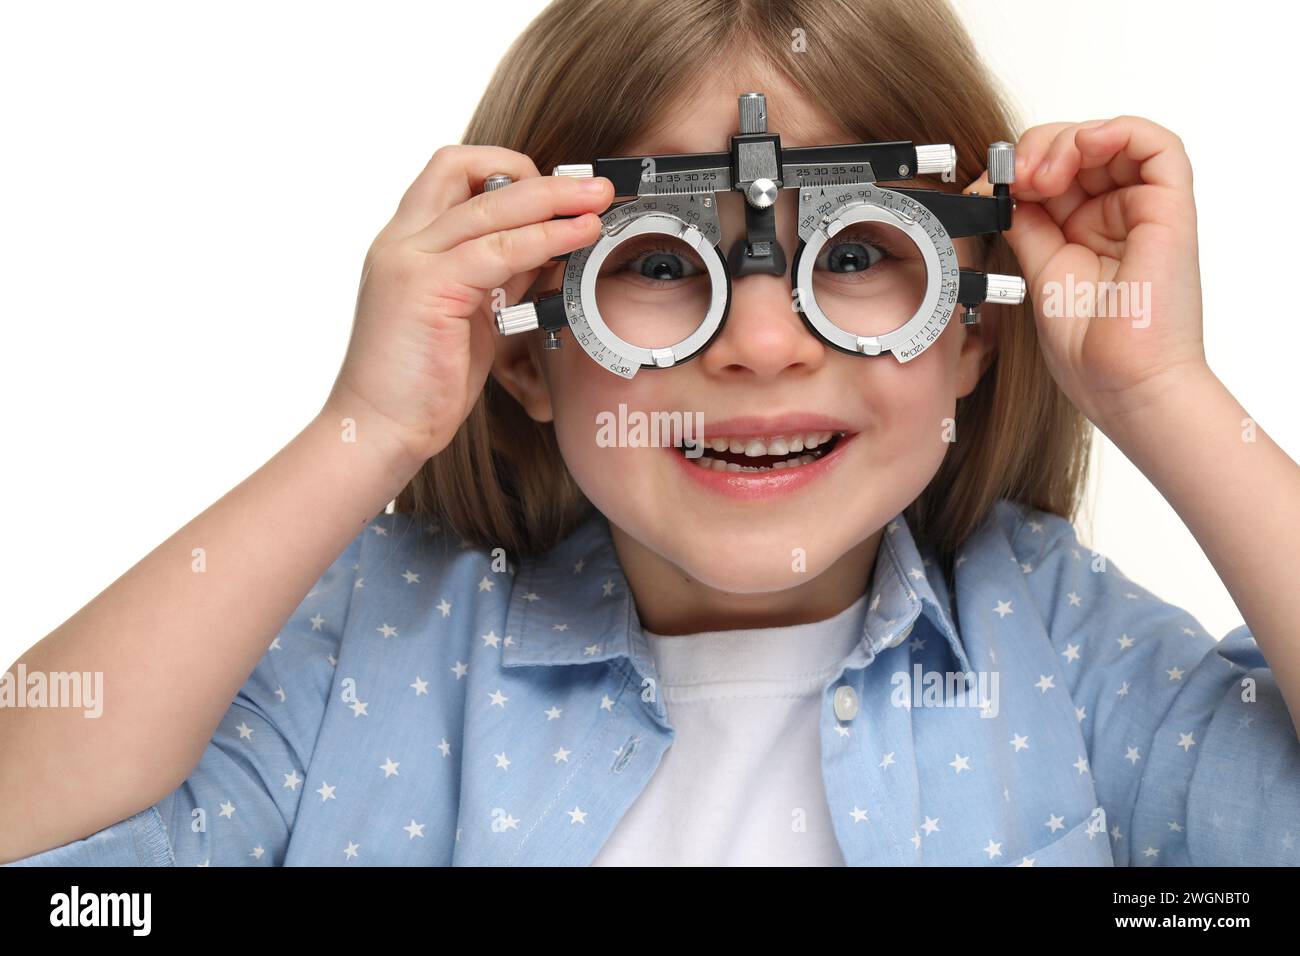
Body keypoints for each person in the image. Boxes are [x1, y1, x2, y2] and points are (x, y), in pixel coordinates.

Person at [3, 0, 1297, 866]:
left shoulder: (1052, 648)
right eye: (660, 268)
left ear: (969, 328)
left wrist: (1159, 392)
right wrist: (367, 429)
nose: (763, 342)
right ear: (522, 339)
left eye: (856, 253)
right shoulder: (387, 653)